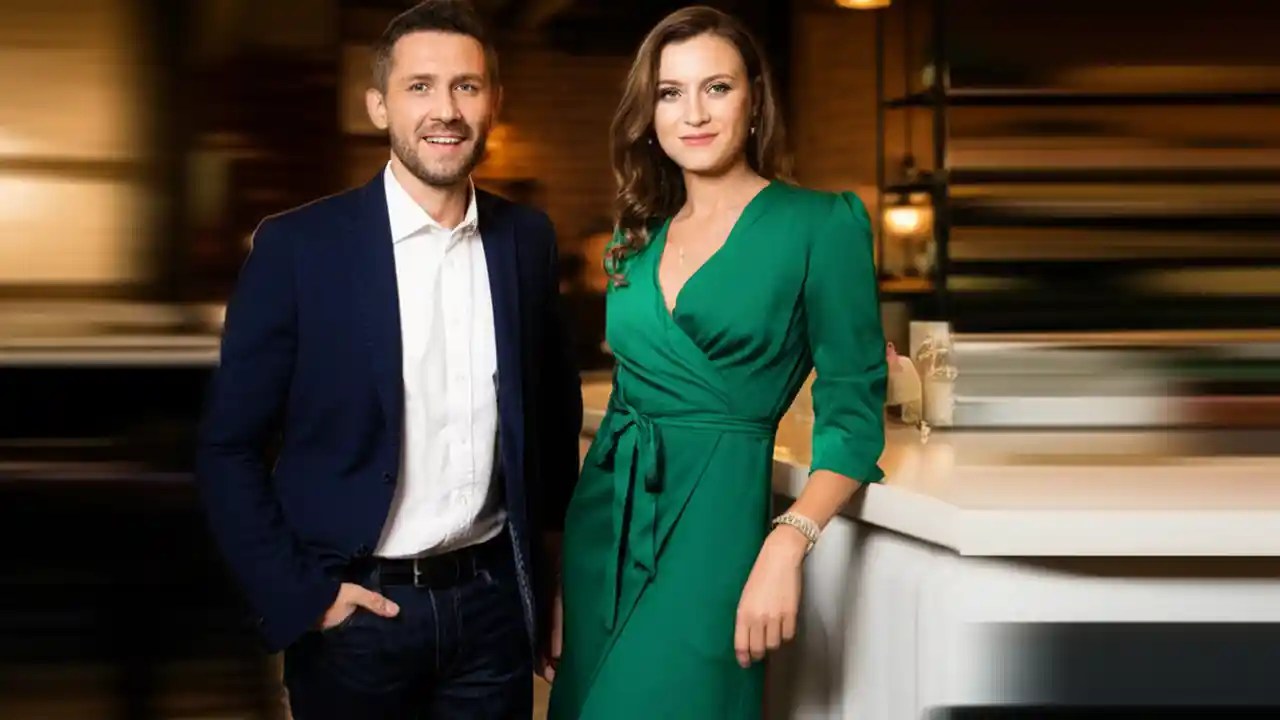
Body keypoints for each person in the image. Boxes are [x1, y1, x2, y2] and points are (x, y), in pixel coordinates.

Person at [195, 2, 581, 717]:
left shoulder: (527, 240)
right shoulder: (297, 249)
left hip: (493, 615)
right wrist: (301, 598)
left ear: (493, 102)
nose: (447, 109)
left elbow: (554, 435)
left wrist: (552, 581)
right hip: (356, 619)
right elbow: (228, 448)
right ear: (378, 104)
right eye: (420, 86)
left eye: (467, 86)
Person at [548, 6, 886, 719]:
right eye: (671, 93)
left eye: (717, 88)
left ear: (755, 99)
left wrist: (785, 544)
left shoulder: (822, 225)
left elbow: (853, 422)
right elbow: (624, 410)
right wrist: (562, 571)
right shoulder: (634, 237)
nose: (692, 113)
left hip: (716, 539)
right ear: (649, 111)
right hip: (603, 531)